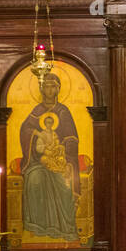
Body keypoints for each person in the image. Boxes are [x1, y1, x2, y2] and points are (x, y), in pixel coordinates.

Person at [19, 72, 80, 241]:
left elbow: (72, 138)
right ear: (41, 88)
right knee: (34, 179)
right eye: (46, 86)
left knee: (64, 182)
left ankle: (66, 229)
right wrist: (37, 135)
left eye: (53, 86)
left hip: (61, 160)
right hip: (38, 161)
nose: (49, 89)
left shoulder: (63, 111)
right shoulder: (36, 111)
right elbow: (25, 131)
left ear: (59, 89)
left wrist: (65, 156)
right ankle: (36, 227)